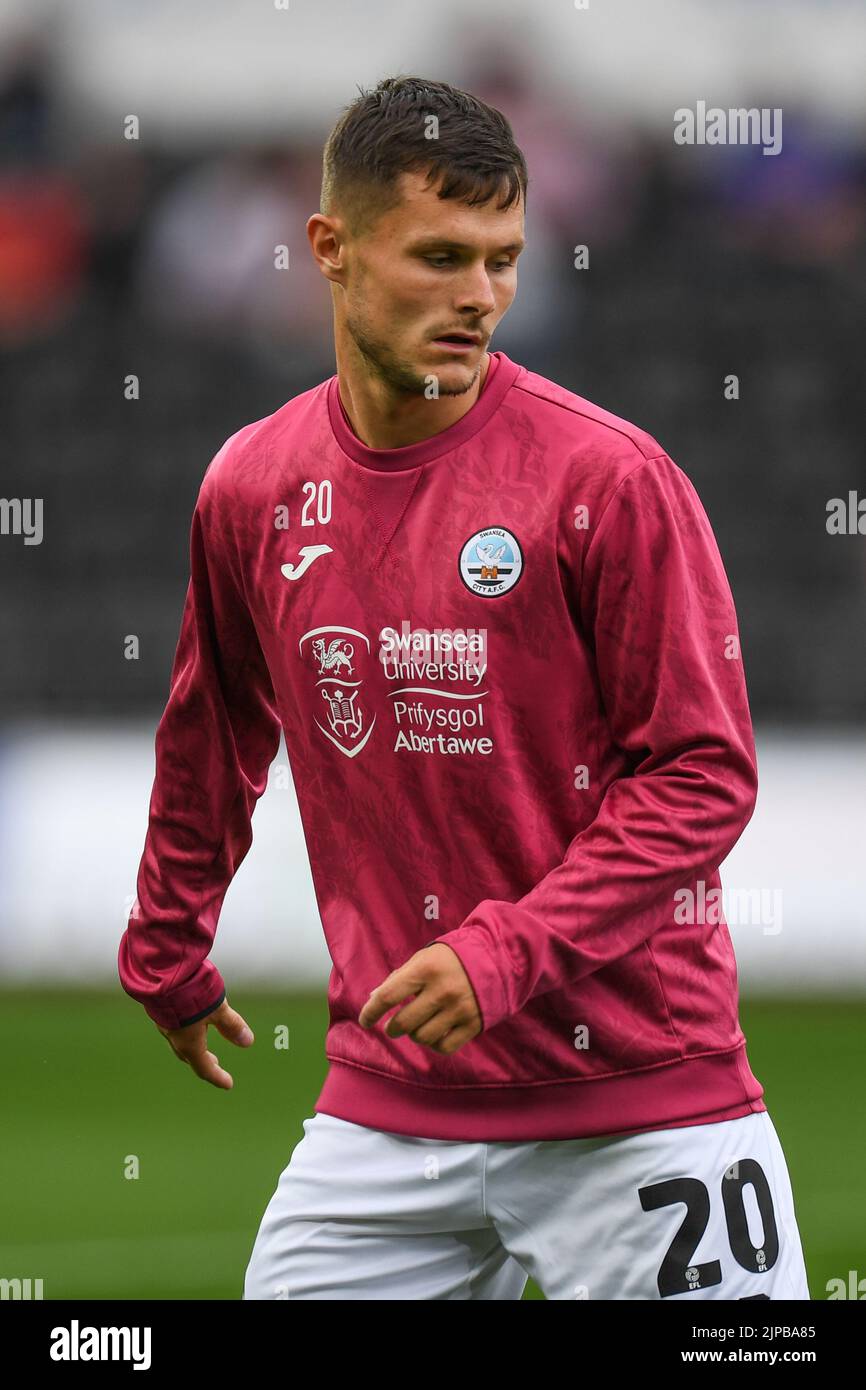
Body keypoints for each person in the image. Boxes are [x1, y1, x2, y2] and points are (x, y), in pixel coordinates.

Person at [118, 75, 810, 1301]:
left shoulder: (610, 480)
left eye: (500, 259)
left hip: (640, 1103)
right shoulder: (250, 487)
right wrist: (170, 939)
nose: (481, 296)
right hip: (391, 1112)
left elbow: (700, 777)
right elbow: (212, 727)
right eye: (440, 256)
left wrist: (501, 955)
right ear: (329, 249)